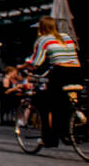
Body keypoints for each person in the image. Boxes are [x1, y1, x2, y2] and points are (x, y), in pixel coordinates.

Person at [25, 16, 82, 148]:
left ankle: (49, 138)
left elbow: (36, 61)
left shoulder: (43, 40)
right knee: (63, 102)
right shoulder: (67, 37)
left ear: (41, 27)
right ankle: (67, 130)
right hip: (76, 72)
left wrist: (25, 65)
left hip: (61, 73)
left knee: (43, 102)